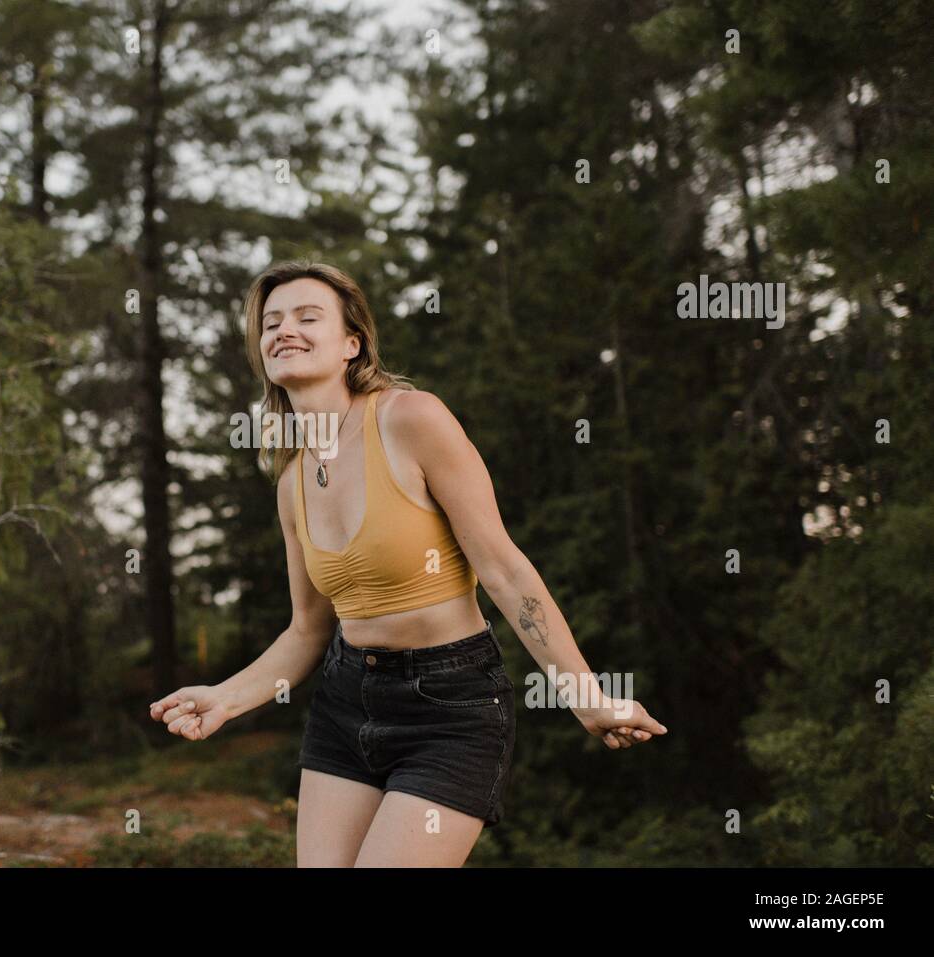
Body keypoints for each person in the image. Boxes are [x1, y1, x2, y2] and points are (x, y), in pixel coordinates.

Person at [149, 257, 667, 866]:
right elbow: (308, 630)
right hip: (345, 703)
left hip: (450, 707)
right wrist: (227, 698)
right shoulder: (291, 482)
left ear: (352, 343)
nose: (283, 330)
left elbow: (502, 568)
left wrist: (586, 694)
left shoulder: (411, 419)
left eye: (307, 316)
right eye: (271, 323)